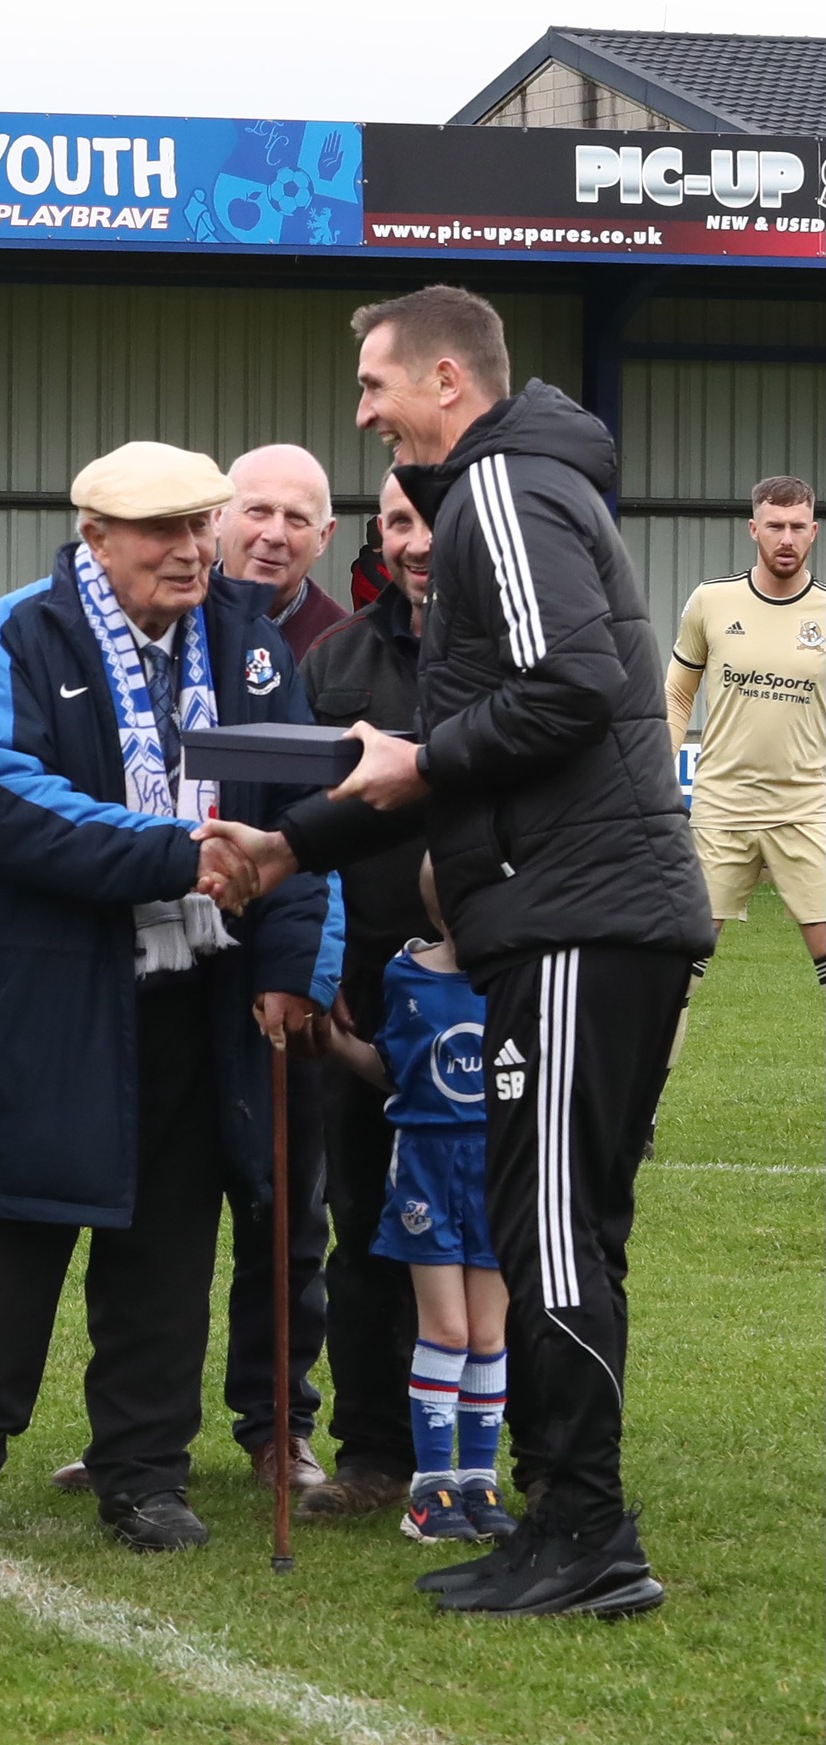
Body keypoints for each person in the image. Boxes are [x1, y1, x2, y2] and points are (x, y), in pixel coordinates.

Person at [200, 284, 714, 1617]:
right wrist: (292, 845)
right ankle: (565, 1518)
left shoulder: (497, 492)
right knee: (559, 1227)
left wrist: (419, 755)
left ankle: (584, 1534)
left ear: (443, 379)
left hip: (575, 918)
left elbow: (571, 693)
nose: (362, 411)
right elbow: (457, 756)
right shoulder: (529, 488)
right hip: (586, 915)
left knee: (542, 1232)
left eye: (373, 386)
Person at [0, 439, 343, 1557]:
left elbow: (296, 812)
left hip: (196, 998)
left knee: (167, 1254)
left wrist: (288, 967)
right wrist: (175, 852)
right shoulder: (18, 628)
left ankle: (144, 1474)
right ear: (95, 536)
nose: (193, 549)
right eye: (163, 530)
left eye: (202, 524)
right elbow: (6, 797)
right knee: (6, 1243)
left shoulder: (244, 641)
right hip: (42, 994)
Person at [52, 441, 351, 1501]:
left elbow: (323, 833)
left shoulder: (331, 648)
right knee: (146, 1213)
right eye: (252, 510)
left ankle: (280, 1425)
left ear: (327, 535)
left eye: (295, 516)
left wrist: (304, 964)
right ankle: (131, 1429)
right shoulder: (157, 626)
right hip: (154, 970)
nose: (270, 531)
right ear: (218, 524)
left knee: (284, 1210)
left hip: (279, 973)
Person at [295, 470, 431, 1523]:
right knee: (366, 1224)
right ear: (375, 539)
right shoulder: (333, 661)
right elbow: (300, 826)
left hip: (495, 984)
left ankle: (483, 1448)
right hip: (363, 991)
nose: (419, 541)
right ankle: (376, 1448)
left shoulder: (518, 657)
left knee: (494, 1231)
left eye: (434, 520)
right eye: (400, 522)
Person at [328, 854, 514, 1546]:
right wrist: (337, 1045)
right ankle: (428, 1490)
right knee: (449, 1331)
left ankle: (478, 1479)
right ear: (442, 910)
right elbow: (393, 1070)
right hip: (428, 1179)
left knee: (490, 1335)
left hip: (498, 1176)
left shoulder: (518, 979)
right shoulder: (406, 977)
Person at [665, 475, 823, 985]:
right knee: (675, 970)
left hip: (807, 809)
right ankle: (651, 1070)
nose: (786, 538)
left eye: (798, 526)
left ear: (813, 532)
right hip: (721, 809)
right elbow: (677, 694)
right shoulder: (711, 602)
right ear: (753, 529)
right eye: (775, 526)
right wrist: (658, 774)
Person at [217, 444, 347, 661]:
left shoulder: (346, 651)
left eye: (297, 518)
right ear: (218, 516)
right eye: (257, 511)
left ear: (323, 537)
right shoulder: (169, 620)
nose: (275, 535)